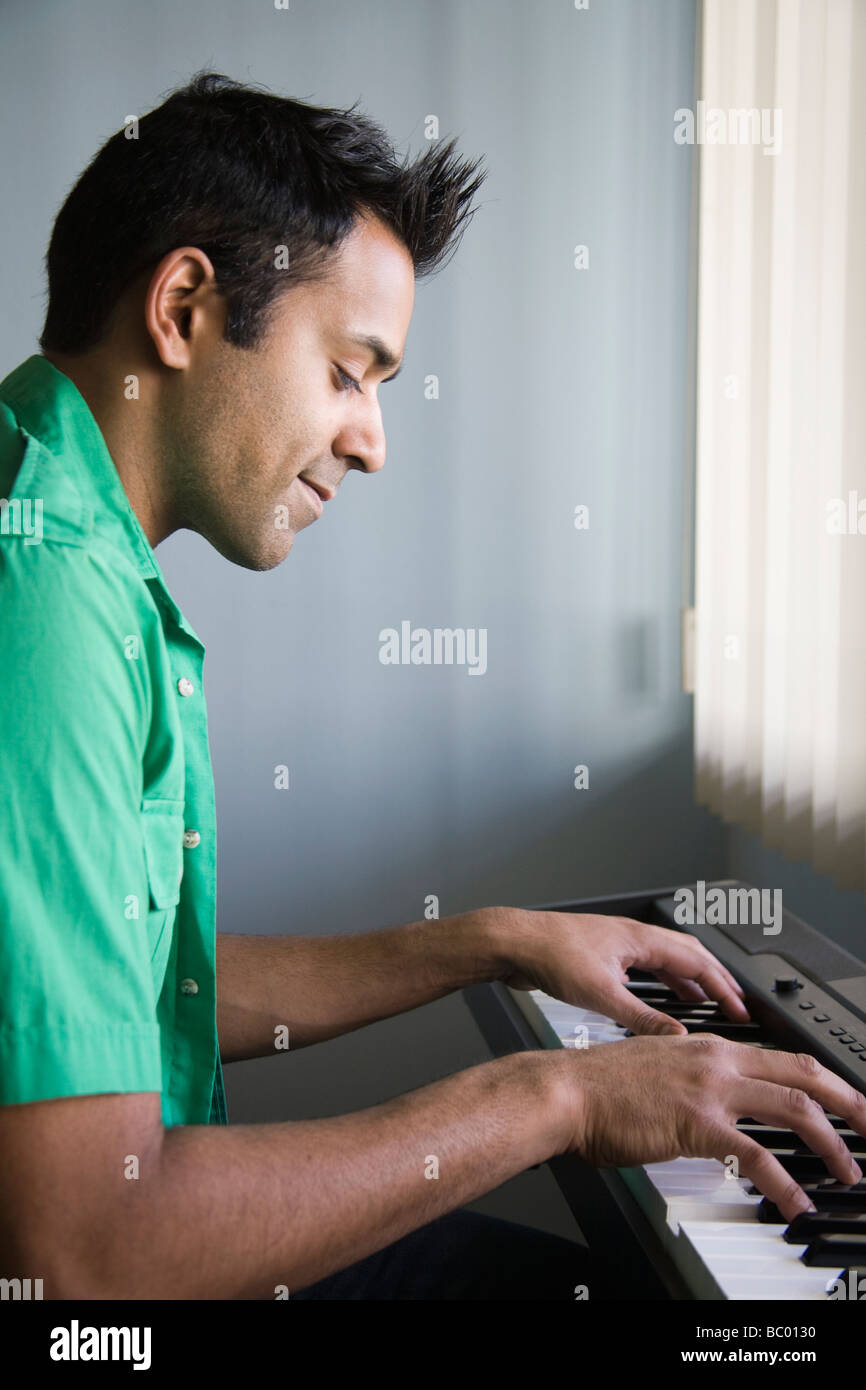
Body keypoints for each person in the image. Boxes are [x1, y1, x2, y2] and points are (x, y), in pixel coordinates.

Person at [1, 71, 863, 1302]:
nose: (371, 439)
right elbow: (85, 1255)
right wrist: (555, 1094)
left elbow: (129, 986)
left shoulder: (55, 526)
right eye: (351, 371)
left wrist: (484, 944)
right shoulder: (40, 602)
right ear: (184, 308)